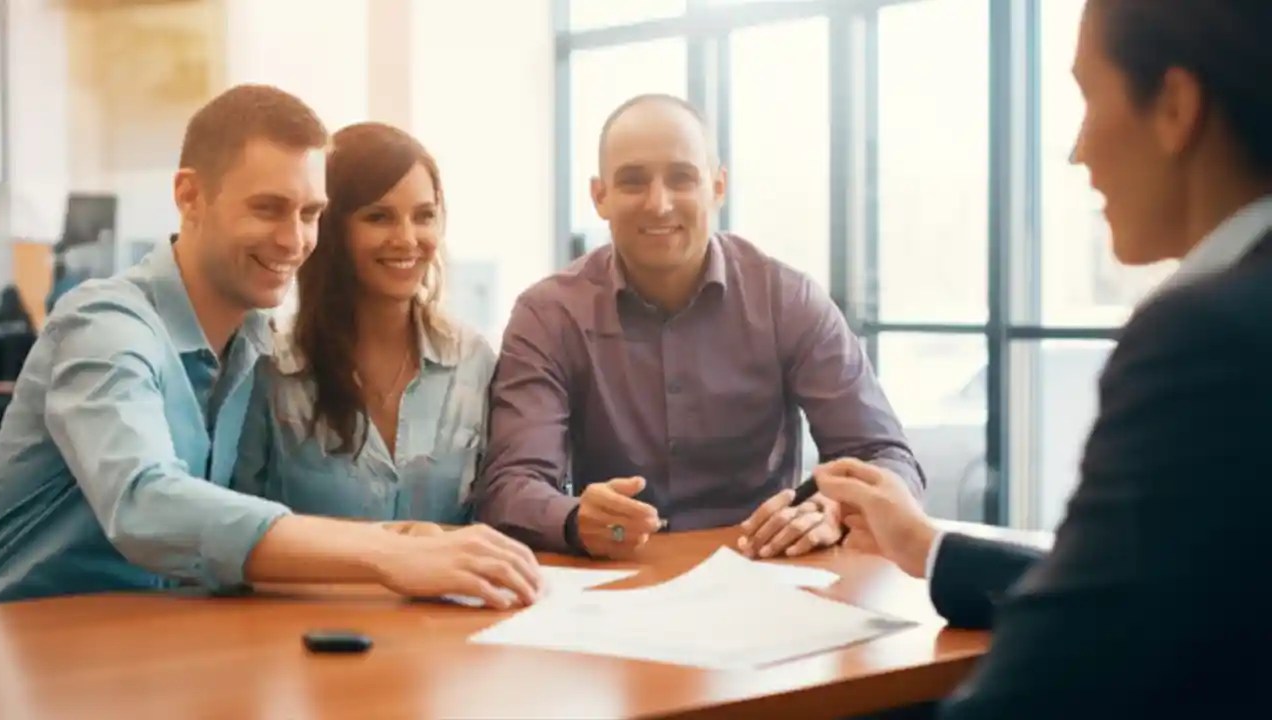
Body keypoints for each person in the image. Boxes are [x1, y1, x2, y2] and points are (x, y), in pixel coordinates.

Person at [812, 0, 1272, 715]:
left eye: (1089, 97)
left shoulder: (1208, 339)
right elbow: (1147, 580)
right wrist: (929, 547)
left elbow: (1049, 687)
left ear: (1176, 106)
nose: (1077, 150)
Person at [0, 85, 540, 609]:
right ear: (189, 196)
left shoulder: (254, 344)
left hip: (163, 647)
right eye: (268, 208)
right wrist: (387, 552)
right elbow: (144, 502)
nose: (294, 240)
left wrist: (403, 536)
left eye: (309, 214)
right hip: (35, 651)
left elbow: (230, 523)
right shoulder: (105, 323)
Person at [474, 94, 924, 560]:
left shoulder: (786, 300)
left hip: (766, 572)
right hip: (611, 584)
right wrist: (571, 518)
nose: (659, 204)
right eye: (632, 181)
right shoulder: (549, 315)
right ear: (599, 196)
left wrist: (832, 508)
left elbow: (885, 457)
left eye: (681, 178)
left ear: (718, 186)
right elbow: (508, 488)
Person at [233, 122, 493, 530]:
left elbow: (496, 516)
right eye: (379, 217)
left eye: (424, 216)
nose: (407, 239)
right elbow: (233, 534)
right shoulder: (270, 367)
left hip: (443, 594)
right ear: (332, 227)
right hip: (307, 595)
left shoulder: (473, 360)